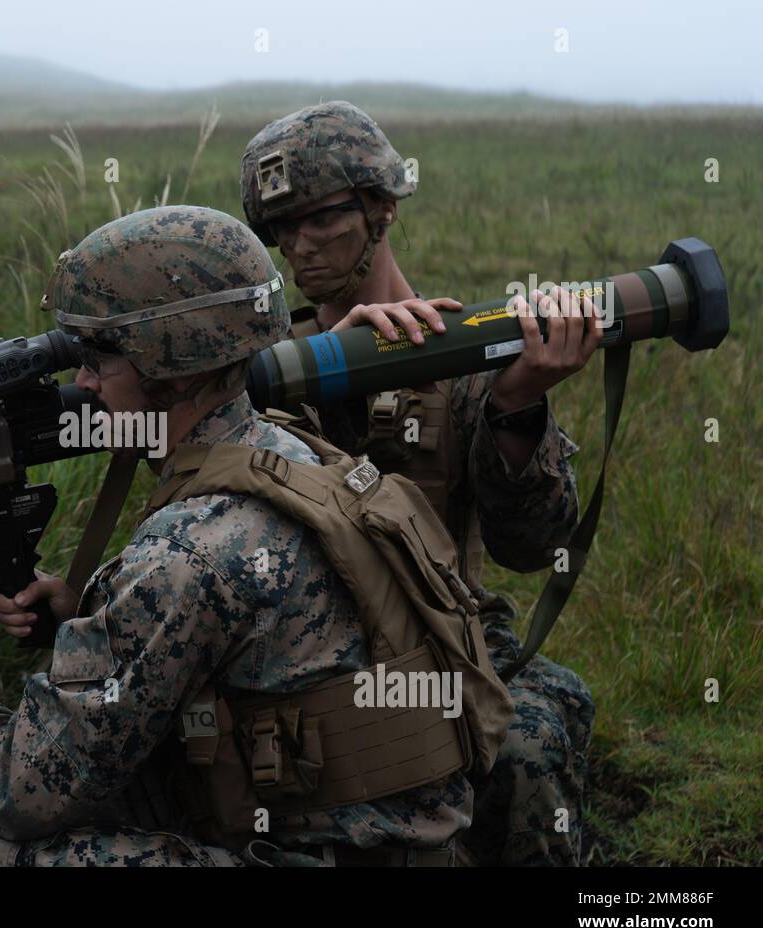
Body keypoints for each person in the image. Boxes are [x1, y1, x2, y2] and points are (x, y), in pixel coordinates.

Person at [0, 205, 513, 867]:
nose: (83, 380)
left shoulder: (189, 552)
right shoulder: (298, 456)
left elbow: (19, 791)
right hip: (396, 845)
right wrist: (89, 619)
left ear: (174, 365)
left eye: (100, 355)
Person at [239, 102, 602, 865]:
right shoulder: (265, 368)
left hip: (448, 638)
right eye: (281, 229)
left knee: (529, 740)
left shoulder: (463, 357)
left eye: (320, 218)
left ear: (382, 208)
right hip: (303, 642)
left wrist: (518, 405)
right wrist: (306, 381)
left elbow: (534, 545)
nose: (299, 246)